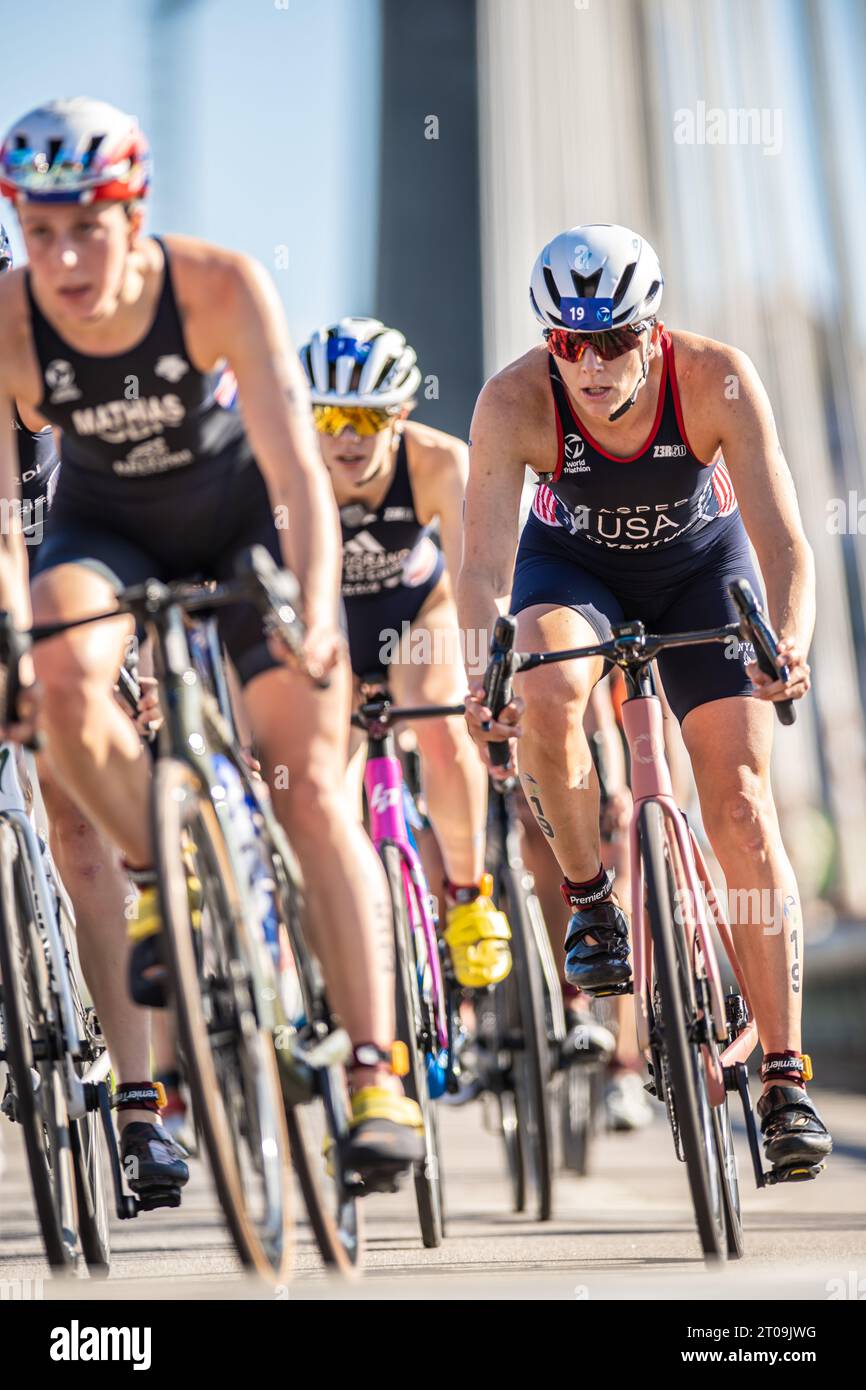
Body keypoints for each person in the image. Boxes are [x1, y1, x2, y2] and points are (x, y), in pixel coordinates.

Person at [0, 97, 424, 1193]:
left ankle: (375, 1072)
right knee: (56, 676)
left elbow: (295, 473)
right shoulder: (9, 318)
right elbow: (8, 518)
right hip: (108, 532)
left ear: (135, 213)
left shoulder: (219, 284)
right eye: (38, 230)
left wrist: (319, 611)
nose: (63, 256)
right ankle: (159, 875)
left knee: (310, 786)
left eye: (86, 224)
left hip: (244, 521)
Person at [459, 222, 832, 1179]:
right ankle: (592, 899)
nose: (590, 365)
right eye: (568, 343)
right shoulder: (512, 403)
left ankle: (784, 1078)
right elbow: (486, 567)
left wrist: (788, 640)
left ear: (652, 332)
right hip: (574, 572)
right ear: (548, 342)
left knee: (741, 798)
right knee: (540, 681)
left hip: (703, 575)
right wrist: (479, 668)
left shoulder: (716, 378)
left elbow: (785, 537)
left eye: (615, 340)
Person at [299, 317, 511, 988]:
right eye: (330, 415)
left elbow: (473, 575)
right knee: (320, 788)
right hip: (331, 624)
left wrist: (483, 681)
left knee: (435, 715)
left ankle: (468, 894)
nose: (347, 437)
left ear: (401, 413)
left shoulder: (439, 461)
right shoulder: (291, 468)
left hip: (417, 613)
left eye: (368, 417)